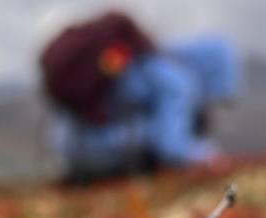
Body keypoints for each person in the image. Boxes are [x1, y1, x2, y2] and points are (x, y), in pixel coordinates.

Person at [39, 11, 241, 184]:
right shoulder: (176, 79)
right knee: (153, 135)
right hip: (107, 154)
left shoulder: (143, 61)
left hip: (71, 152)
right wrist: (210, 157)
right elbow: (171, 146)